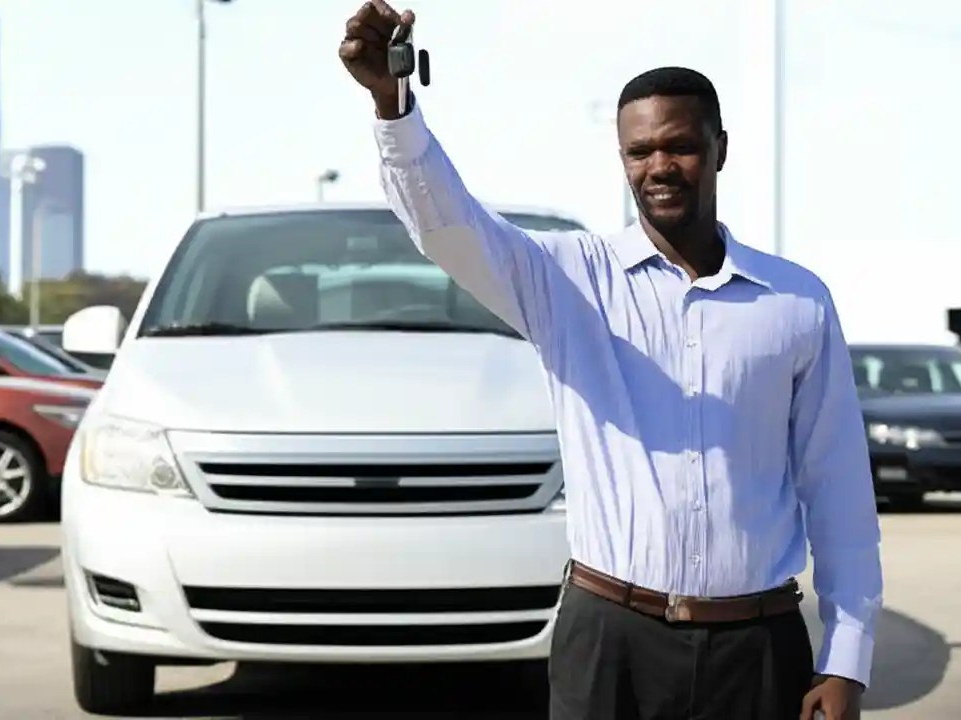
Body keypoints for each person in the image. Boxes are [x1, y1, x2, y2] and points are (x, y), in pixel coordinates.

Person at [339, 3, 884, 719]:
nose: (659, 166)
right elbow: (447, 225)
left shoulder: (797, 302)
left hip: (757, 649)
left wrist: (847, 658)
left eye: (680, 146)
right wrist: (392, 103)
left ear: (720, 148)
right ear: (622, 158)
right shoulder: (566, 280)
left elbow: (838, 490)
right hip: (609, 644)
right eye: (639, 151)